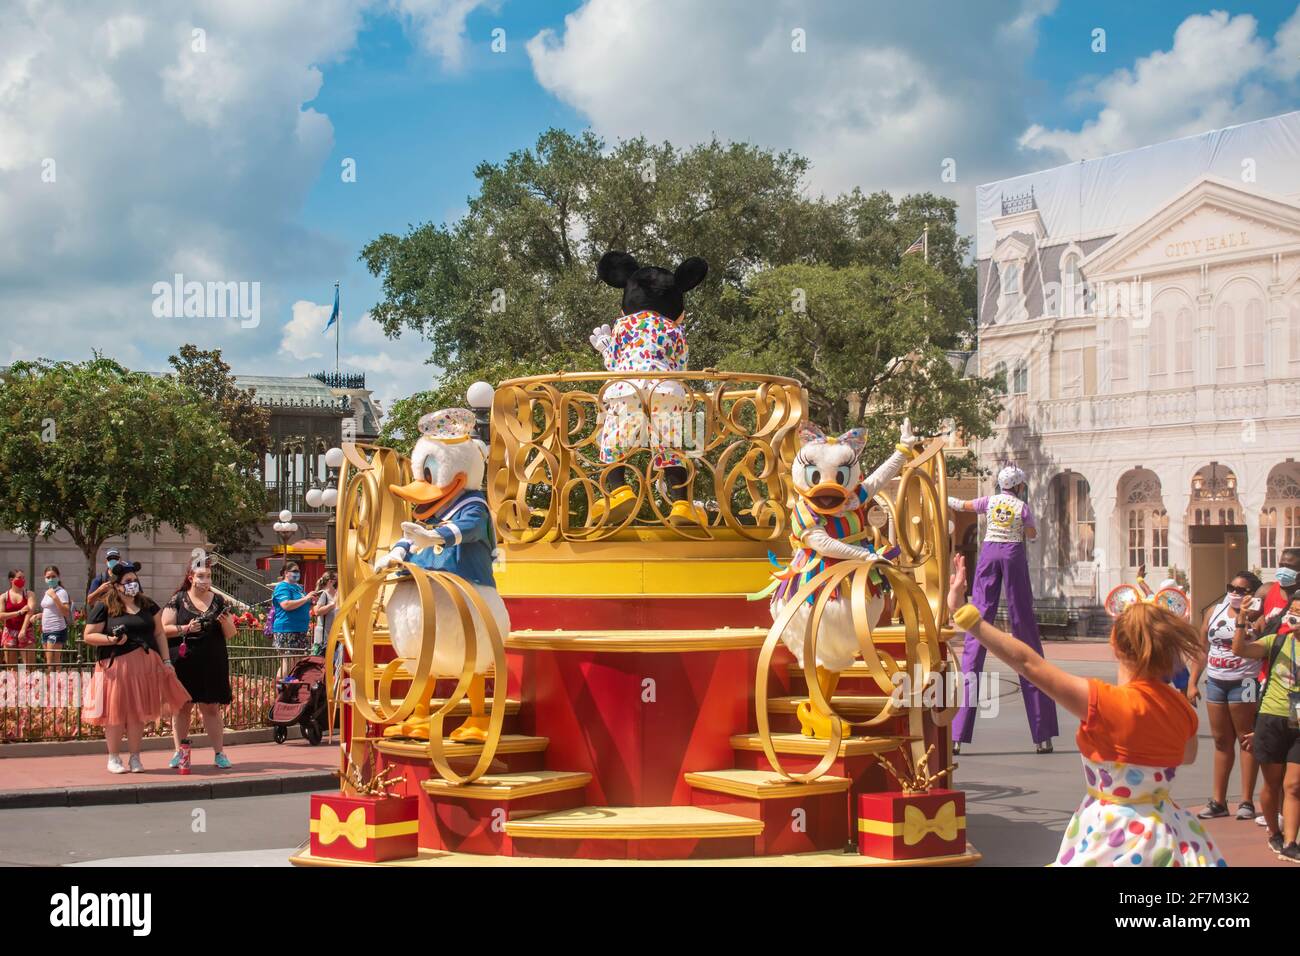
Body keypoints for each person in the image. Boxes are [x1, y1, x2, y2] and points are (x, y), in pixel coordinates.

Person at [947, 554, 1224, 866]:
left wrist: (965, 614)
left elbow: (1028, 664)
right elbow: (1186, 756)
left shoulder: (1103, 702)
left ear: (1116, 645)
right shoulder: (1182, 709)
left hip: (1113, 831)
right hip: (1169, 832)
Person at [947, 465, 1058, 753]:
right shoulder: (1022, 506)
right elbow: (1032, 534)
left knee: (976, 631)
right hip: (1012, 555)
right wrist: (1029, 529)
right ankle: (1042, 733)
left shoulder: (989, 501)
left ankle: (957, 734)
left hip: (989, 554)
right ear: (1020, 486)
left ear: (999, 485)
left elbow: (961, 504)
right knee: (1024, 629)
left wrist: (941, 495)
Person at [81, 562, 190, 774]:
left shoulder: (148, 605)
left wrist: (167, 661)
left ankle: (135, 757)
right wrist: (111, 639)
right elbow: (88, 635)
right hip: (116, 668)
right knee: (115, 714)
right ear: (117, 585)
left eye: (135, 580)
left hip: (144, 668)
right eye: (128, 581)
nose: (133, 584)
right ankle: (113, 757)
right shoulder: (104, 606)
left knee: (137, 714)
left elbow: (159, 633)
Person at [1232, 588, 1300, 862]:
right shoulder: (1277, 642)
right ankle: (1275, 833)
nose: (1295, 615)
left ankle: (1291, 842)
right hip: (1272, 718)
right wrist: (1242, 619)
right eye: (1293, 610)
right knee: (1272, 784)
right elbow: (1240, 649)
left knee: (1294, 785)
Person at [1188, 571, 1262, 821]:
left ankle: (1246, 801)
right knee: (1221, 741)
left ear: (1252, 594)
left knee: (1246, 740)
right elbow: (1201, 648)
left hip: (1246, 682)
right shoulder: (1214, 611)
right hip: (1217, 682)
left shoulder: (1257, 617)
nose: (1235, 593)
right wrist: (1192, 682)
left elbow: (1265, 647)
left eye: (1242, 590)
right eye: (1232, 587)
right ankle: (1219, 801)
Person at [160, 561, 236, 769]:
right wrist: (185, 628)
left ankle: (219, 753)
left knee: (211, 707)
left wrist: (224, 622)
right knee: (182, 707)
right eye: (201, 576)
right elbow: (164, 628)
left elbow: (231, 633)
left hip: (212, 660)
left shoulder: (219, 601)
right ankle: (179, 753)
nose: (205, 580)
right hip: (184, 661)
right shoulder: (178, 599)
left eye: (209, 576)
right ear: (191, 577)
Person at [271, 561, 318, 678]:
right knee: (288, 662)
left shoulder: (298, 588)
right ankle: (282, 688)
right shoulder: (282, 587)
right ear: (286, 573)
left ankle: (291, 688)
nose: (298, 574)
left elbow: (304, 604)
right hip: (287, 629)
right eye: (295, 571)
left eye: (299, 571)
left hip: (300, 629)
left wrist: (311, 601)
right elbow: (286, 605)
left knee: (297, 662)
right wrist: (306, 598)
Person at [1, 569, 37, 666]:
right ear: (11, 580)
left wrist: (23, 630)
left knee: (29, 666)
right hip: (9, 631)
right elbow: (1, 615)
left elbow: (30, 611)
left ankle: (29, 681)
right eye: (19, 578)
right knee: (11, 667)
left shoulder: (29, 594)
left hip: (26, 630)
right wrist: (19, 612)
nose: (23, 580)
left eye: (24, 578)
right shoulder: (4, 597)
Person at [39, 565, 72, 662]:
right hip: (46, 630)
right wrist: (39, 615)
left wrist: (54, 597)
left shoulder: (61, 592)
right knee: (49, 662)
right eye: (48, 577)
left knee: (52, 662)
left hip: (56, 629)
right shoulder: (48, 592)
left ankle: (56, 677)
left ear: (58, 577)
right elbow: (51, 610)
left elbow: (66, 612)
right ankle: (54, 677)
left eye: (53, 577)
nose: (50, 579)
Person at [312, 572, 339, 656]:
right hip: (324, 637)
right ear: (331, 582)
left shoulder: (338, 595)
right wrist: (332, 604)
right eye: (337, 580)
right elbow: (317, 611)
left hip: (335, 635)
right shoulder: (324, 594)